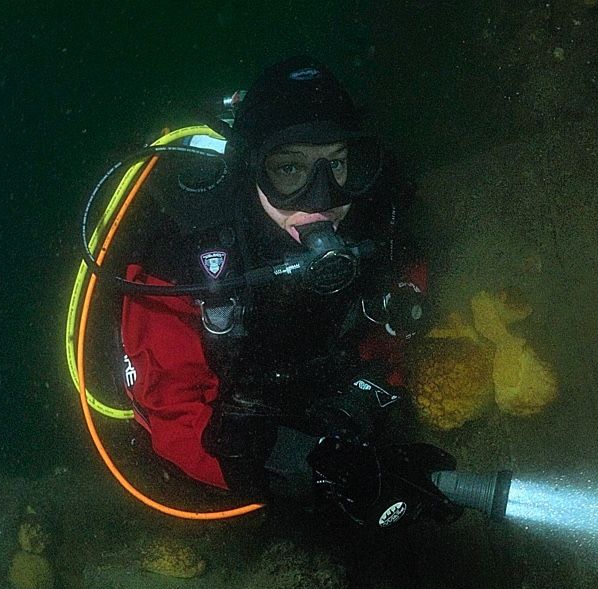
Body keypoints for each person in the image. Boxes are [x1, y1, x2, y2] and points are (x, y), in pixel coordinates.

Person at [115, 56, 432, 517]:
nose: (322, 199)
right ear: (250, 169)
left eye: (336, 163)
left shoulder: (375, 210)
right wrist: (298, 468)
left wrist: (370, 403)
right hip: (229, 429)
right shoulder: (184, 252)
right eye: (289, 170)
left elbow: (400, 305)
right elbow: (173, 412)